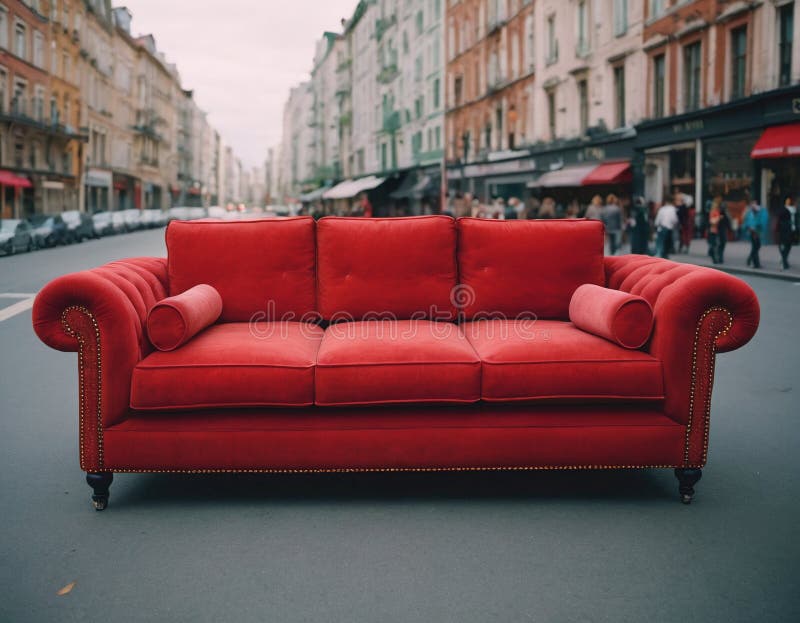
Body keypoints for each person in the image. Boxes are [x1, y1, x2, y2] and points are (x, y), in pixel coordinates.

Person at [742, 199, 768, 269]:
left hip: (757, 231)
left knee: (756, 247)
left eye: (754, 203)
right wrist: (748, 227)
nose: (753, 205)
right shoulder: (750, 212)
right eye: (752, 204)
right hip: (752, 232)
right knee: (755, 247)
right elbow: (746, 221)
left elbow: (763, 221)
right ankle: (756, 264)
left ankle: (750, 260)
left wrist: (757, 227)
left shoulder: (761, 211)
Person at [777, 196, 800, 270]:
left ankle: (784, 260)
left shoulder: (794, 209)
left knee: (789, 246)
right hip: (784, 230)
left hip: (792, 230)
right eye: (787, 200)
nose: (788, 201)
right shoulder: (783, 209)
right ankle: (784, 261)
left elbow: (796, 219)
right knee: (784, 245)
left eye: (789, 200)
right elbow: (780, 219)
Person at [707, 197, 722, 264]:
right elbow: (712, 221)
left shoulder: (716, 211)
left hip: (715, 230)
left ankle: (715, 258)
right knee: (714, 245)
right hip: (713, 230)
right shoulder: (713, 212)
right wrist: (719, 218)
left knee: (715, 245)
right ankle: (714, 258)